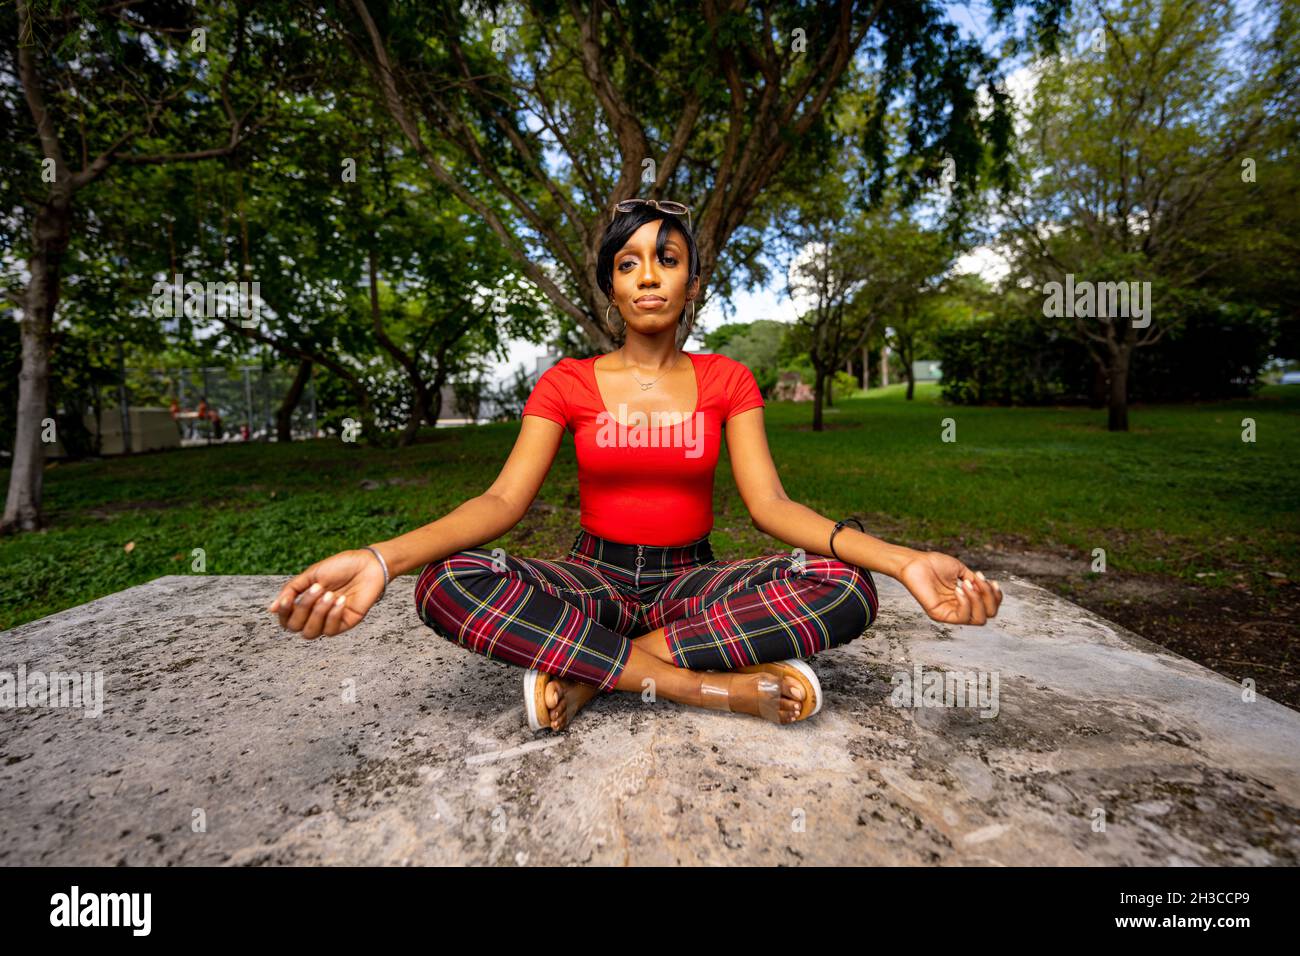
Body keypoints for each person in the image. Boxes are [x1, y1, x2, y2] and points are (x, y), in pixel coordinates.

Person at [266, 198, 1003, 732]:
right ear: (610, 285)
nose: (648, 276)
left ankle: (593, 676)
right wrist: (378, 559)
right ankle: (700, 688)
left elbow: (773, 510)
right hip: (595, 578)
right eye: (628, 263)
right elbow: (499, 504)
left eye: (667, 260)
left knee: (844, 585)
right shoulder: (566, 382)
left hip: (692, 581)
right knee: (449, 580)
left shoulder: (728, 380)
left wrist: (904, 562)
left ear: (690, 282)